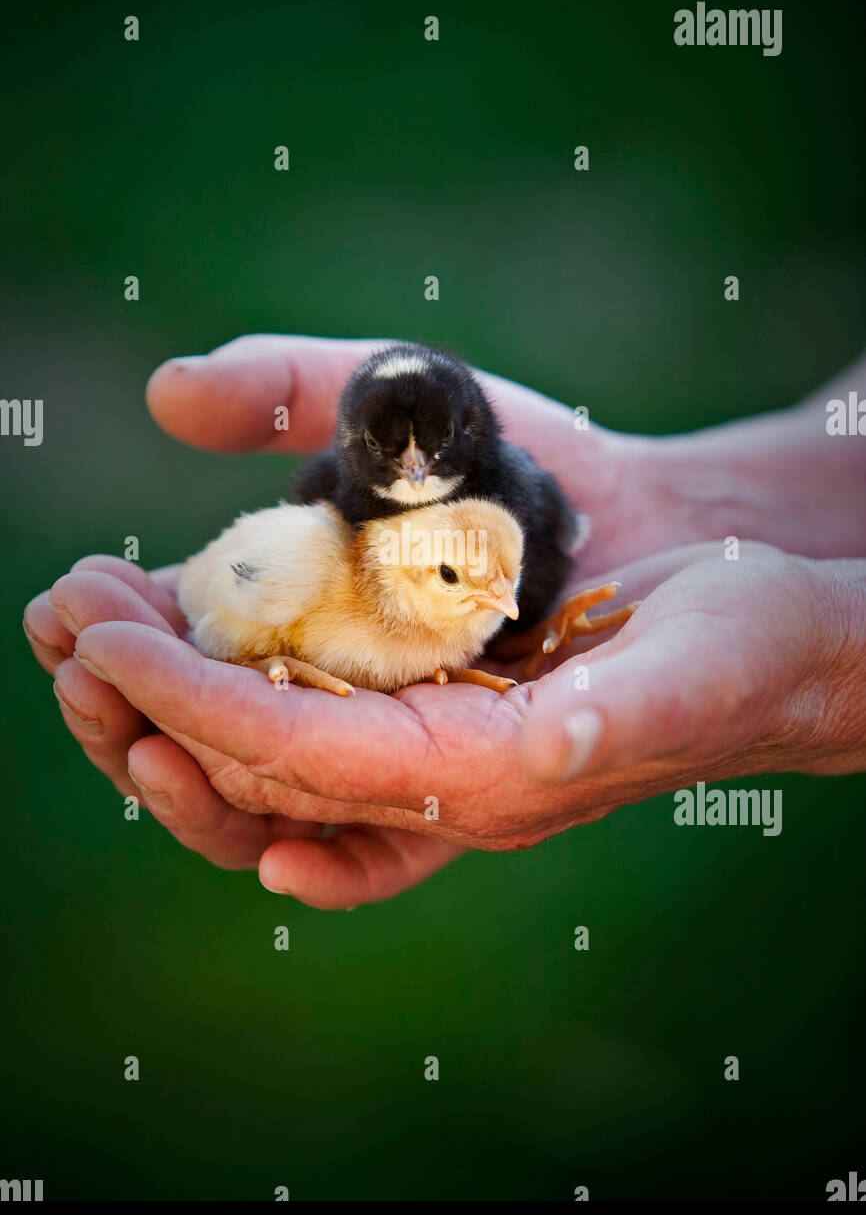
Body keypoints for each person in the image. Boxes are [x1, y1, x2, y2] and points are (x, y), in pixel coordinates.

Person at [23, 336, 866, 909]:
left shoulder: (516, 500)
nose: (417, 469)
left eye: (436, 444)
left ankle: (506, 631)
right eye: (392, 451)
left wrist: (830, 649)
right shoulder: (334, 517)